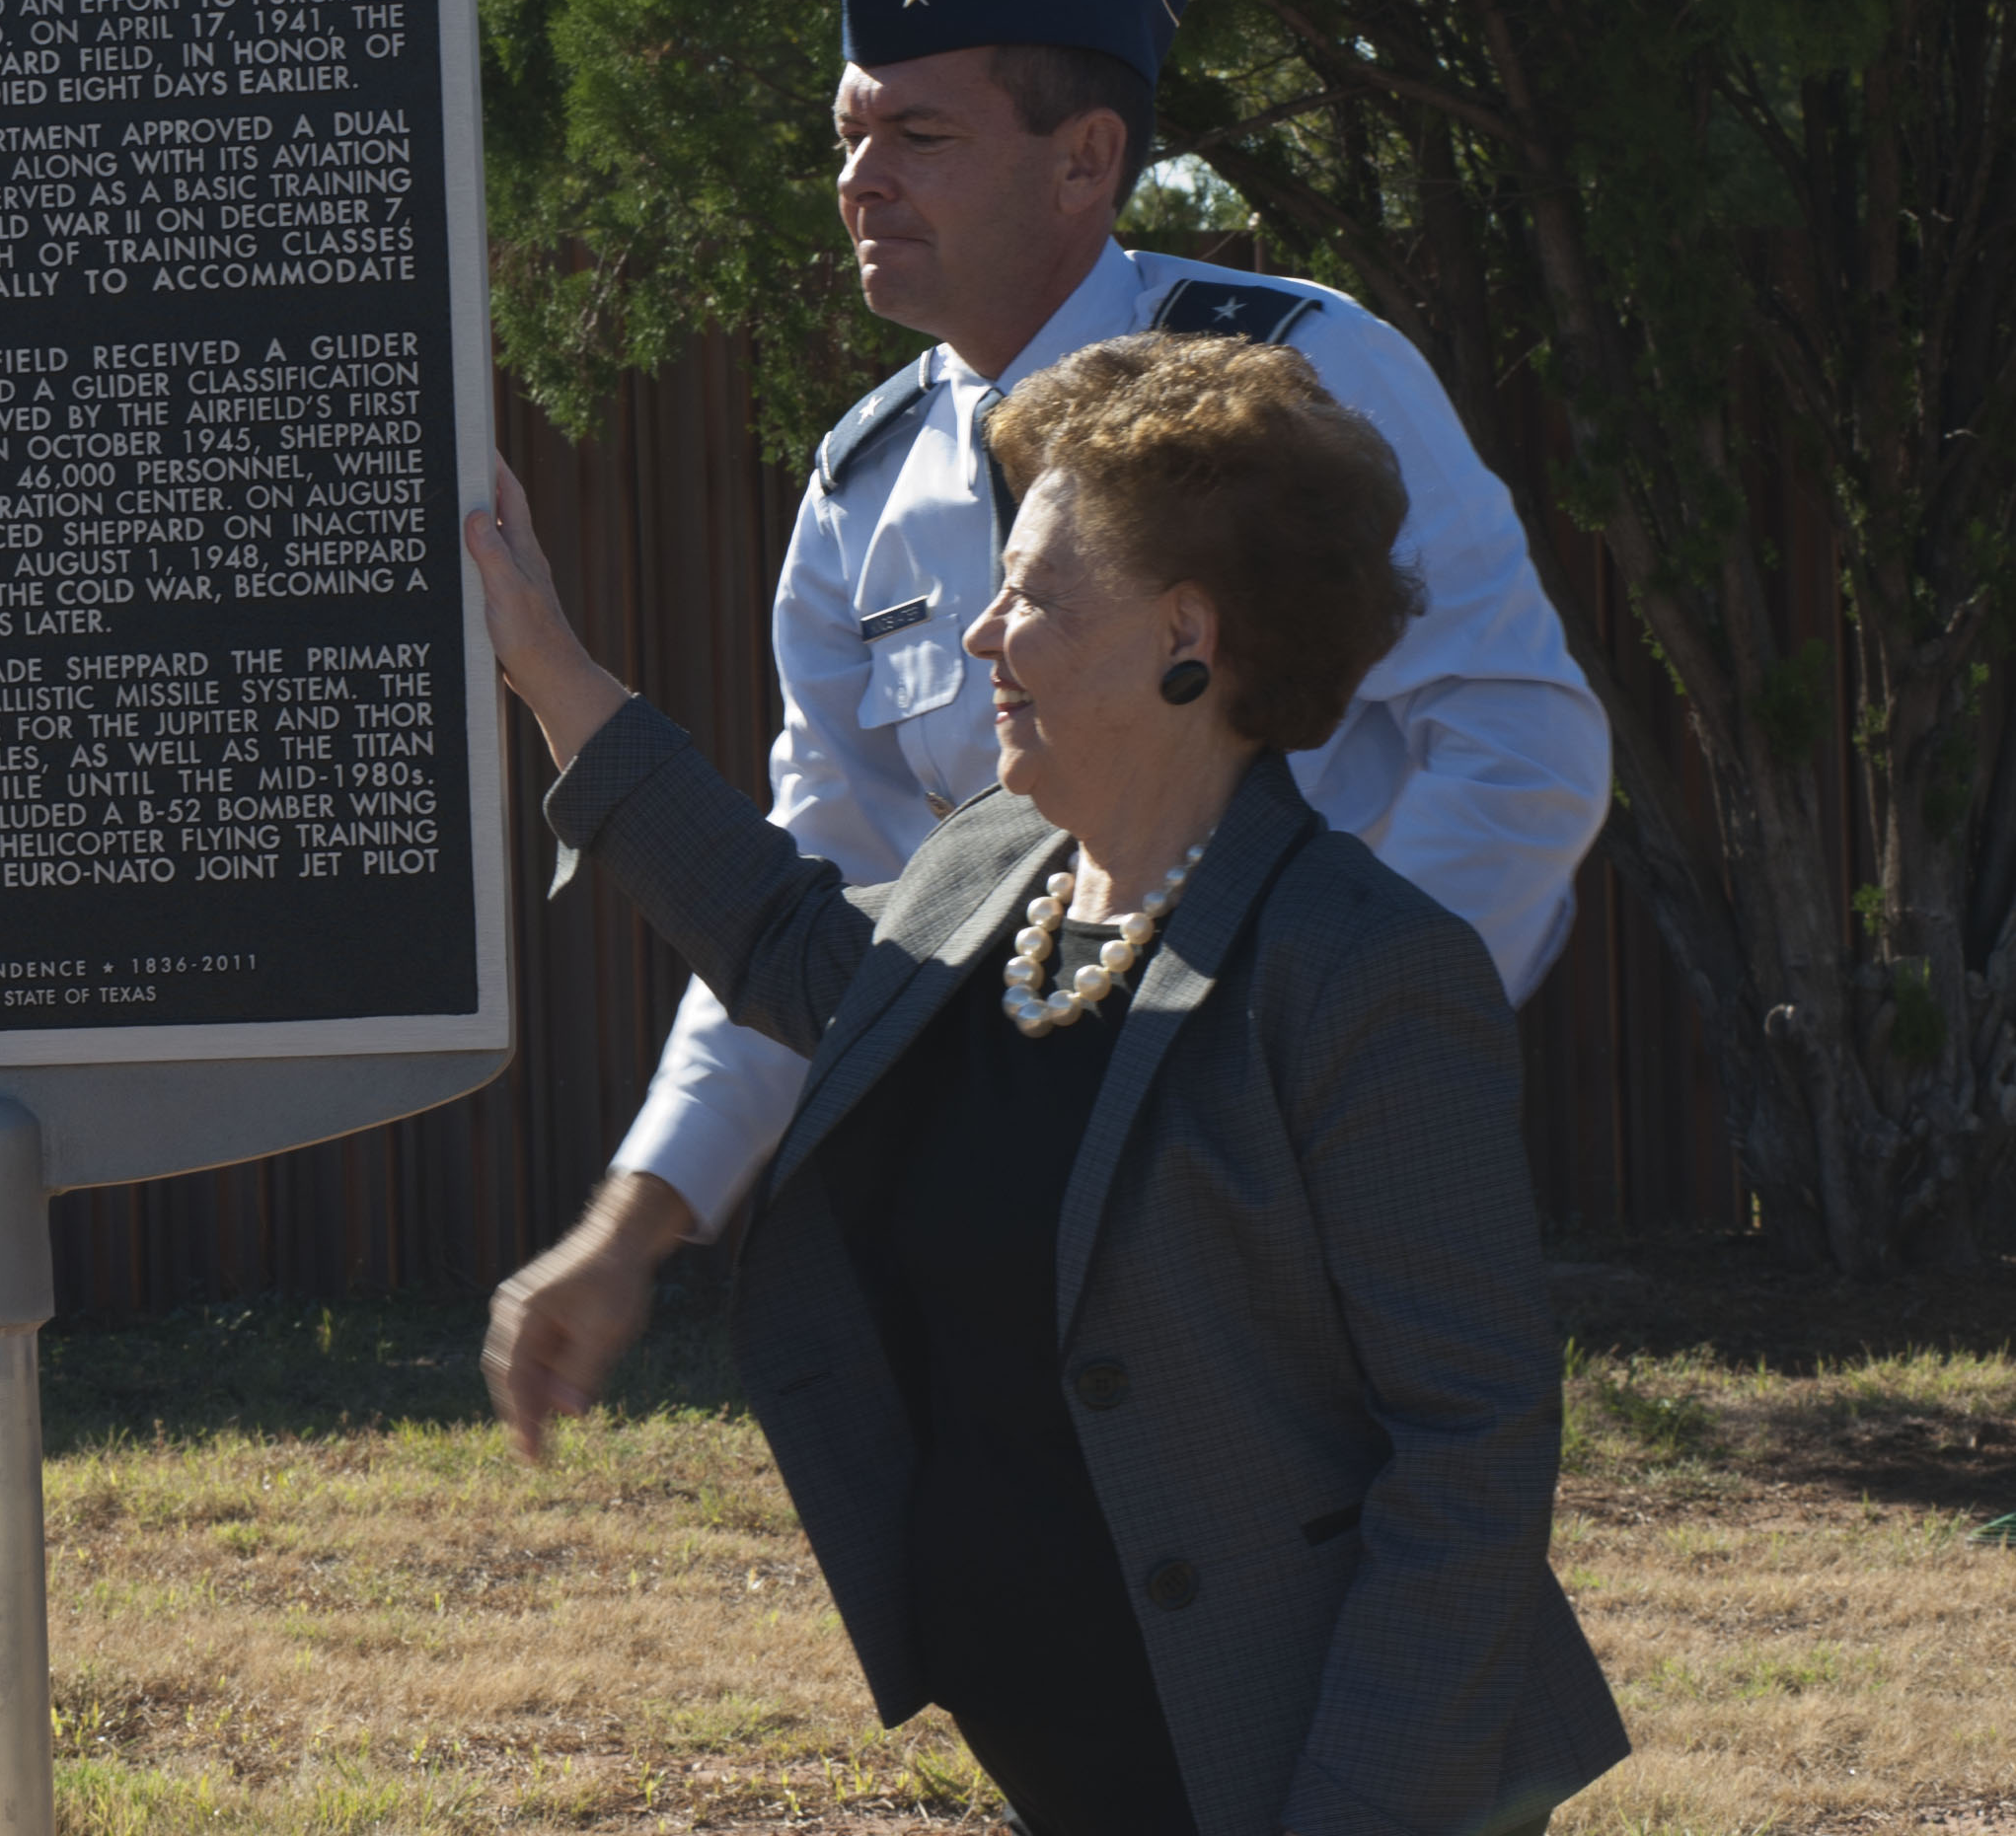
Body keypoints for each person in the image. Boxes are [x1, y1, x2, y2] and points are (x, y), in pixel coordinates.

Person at [466, 336, 1628, 1836]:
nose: (981, 639)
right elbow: (779, 936)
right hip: (1071, 1759)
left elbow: (1471, 1449)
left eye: (1029, 596)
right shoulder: (991, 879)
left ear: (1184, 635)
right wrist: (544, 655)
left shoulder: (1365, 972)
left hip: (1298, 1781)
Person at [485, 0, 1609, 1433]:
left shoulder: (1299, 373)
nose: (861, 182)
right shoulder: (865, 485)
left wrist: (1330, 1068)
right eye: (847, 138)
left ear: (1086, 161)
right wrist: (637, 1223)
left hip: (1305, 1198)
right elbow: (824, 890)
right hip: (1024, 1202)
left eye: (920, 139)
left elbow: (1520, 741)